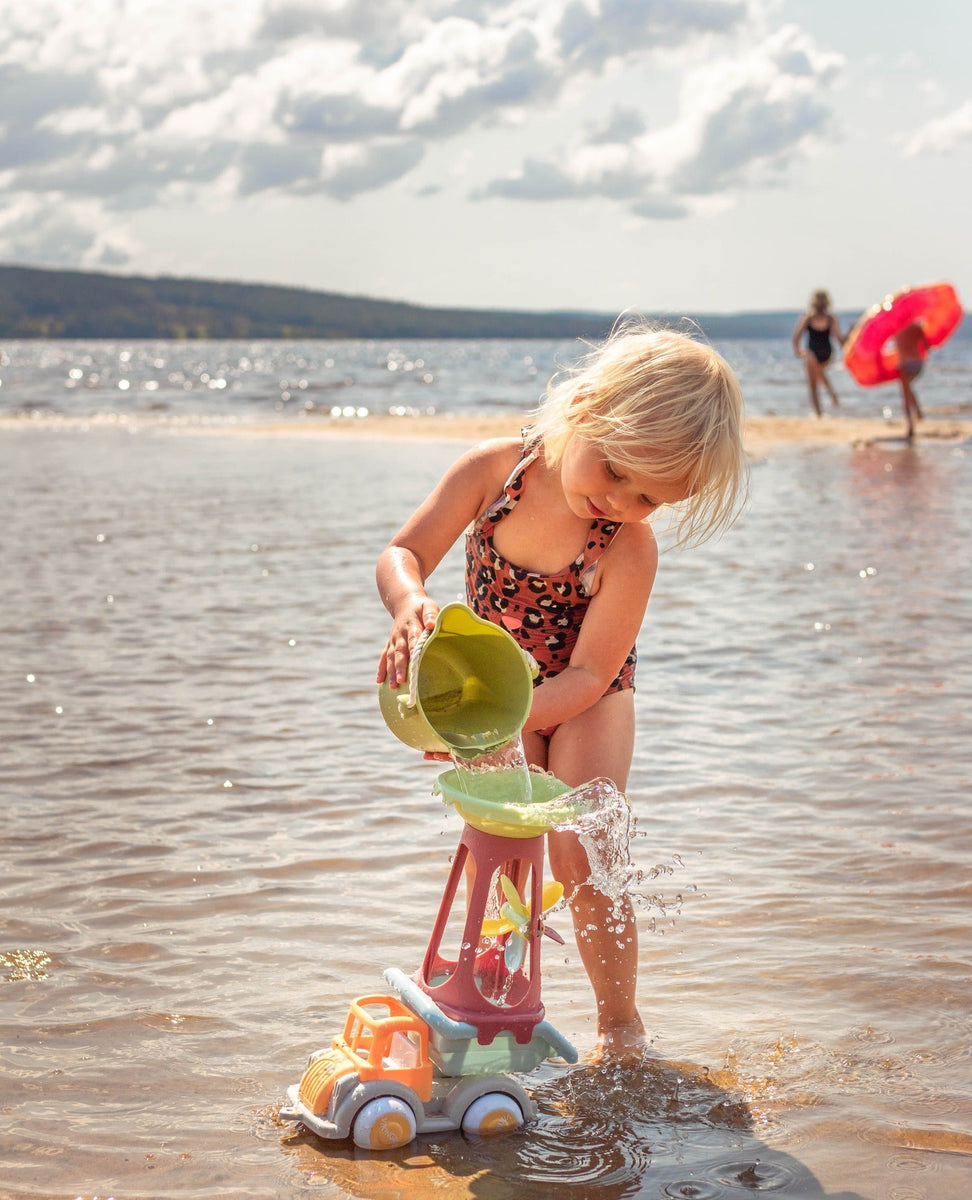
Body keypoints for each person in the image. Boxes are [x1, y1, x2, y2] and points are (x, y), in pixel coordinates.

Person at [375, 319, 749, 1058]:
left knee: (584, 856)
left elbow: (589, 674)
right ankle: (488, 997)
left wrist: (514, 723)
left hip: (586, 702)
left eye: (649, 498)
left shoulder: (627, 548)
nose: (621, 502)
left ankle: (620, 1025)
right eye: (614, 471)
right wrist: (407, 602)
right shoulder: (494, 475)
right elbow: (403, 551)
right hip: (486, 692)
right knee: (498, 850)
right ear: (583, 408)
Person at [791, 290, 845, 416]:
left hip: (821, 353)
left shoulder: (809, 318)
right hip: (823, 353)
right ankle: (826, 401)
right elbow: (840, 339)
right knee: (815, 374)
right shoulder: (828, 318)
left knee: (812, 378)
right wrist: (798, 351)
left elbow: (796, 337)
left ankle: (821, 406)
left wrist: (798, 351)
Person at [894, 322, 928, 440]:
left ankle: (910, 426)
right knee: (908, 389)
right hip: (917, 363)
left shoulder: (897, 328)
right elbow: (926, 346)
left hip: (905, 364)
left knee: (906, 393)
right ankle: (918, 412)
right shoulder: (917, 327)